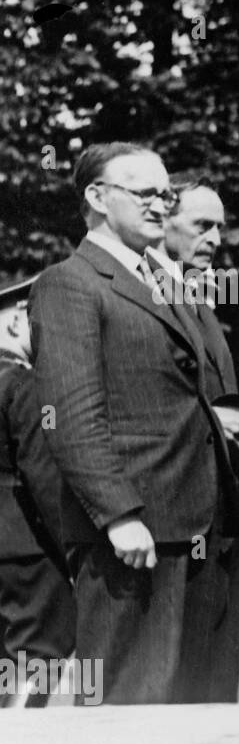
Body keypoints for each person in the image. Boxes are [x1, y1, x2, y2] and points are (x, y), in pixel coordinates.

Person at [30, 142, 239, 705]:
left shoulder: (167, 283)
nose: (160, 204)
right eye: (145, 193)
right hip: (135, 538)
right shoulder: (70, 284)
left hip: (207, 531)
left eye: (165, 194)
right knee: (127, 709)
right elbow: (73, 415)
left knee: (198, 714)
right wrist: (119, 516)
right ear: (97, 198)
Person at [0, 284, 75, 707]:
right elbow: (44, 479)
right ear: (14, 322)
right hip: (27, 551)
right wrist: (74, 554)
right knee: (38, 658)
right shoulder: (25, 384)